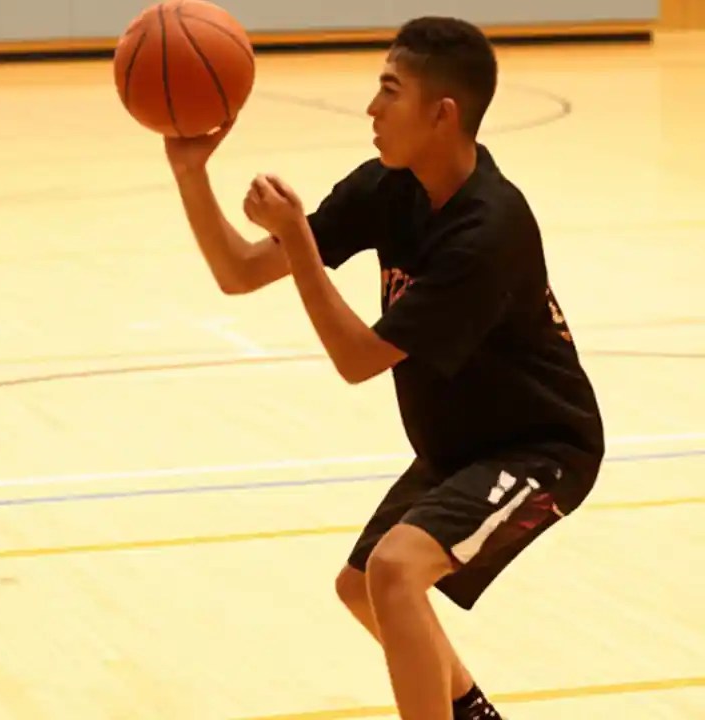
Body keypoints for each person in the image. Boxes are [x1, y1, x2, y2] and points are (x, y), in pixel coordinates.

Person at [165, 16, 605, 720]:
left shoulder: (489, 229)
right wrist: (190, 171)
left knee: (396, 571)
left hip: (542, 448)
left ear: (442, 114)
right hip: (460, 446)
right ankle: (470, 712)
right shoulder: (388, 187)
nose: (371, 109)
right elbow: (240, 272)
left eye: (388, 92)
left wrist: (300, 245)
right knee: (361, 583)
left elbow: (356, 360)